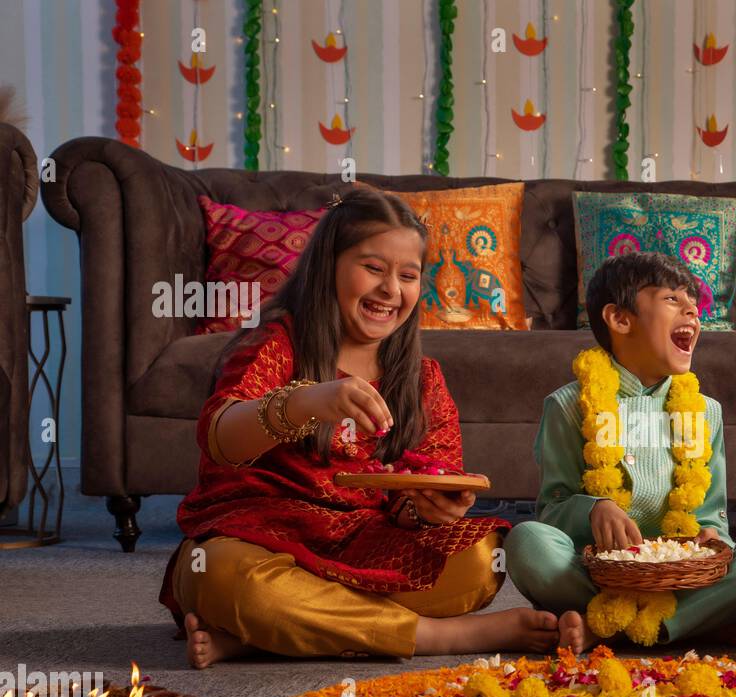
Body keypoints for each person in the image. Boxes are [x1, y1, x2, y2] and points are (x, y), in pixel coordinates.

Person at [159, 191, 558, 668]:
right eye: (373, 268)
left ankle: (270, 635)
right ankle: (432, 636)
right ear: (328, 266)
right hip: (254, 540)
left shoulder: (421, 378)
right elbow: (220, 437)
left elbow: (420, 490)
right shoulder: (279, 342)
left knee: (478, 561)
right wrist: (308, 401)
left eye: (407, 276)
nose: (391, 289)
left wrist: (429, 509)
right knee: (221, 579)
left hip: (361, 542)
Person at [505, 251, 736, 652]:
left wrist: (712, 539)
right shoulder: (569, 405)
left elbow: (710, 513)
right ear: (620, 320)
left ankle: (613, 629)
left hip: (681, 579)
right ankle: (690, 625)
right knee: (527, 541)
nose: (692, 310)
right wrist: (594, 507)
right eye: (673, 299)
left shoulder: (705, 412)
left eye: (693, 302)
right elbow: (553, 508)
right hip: (598, 574)